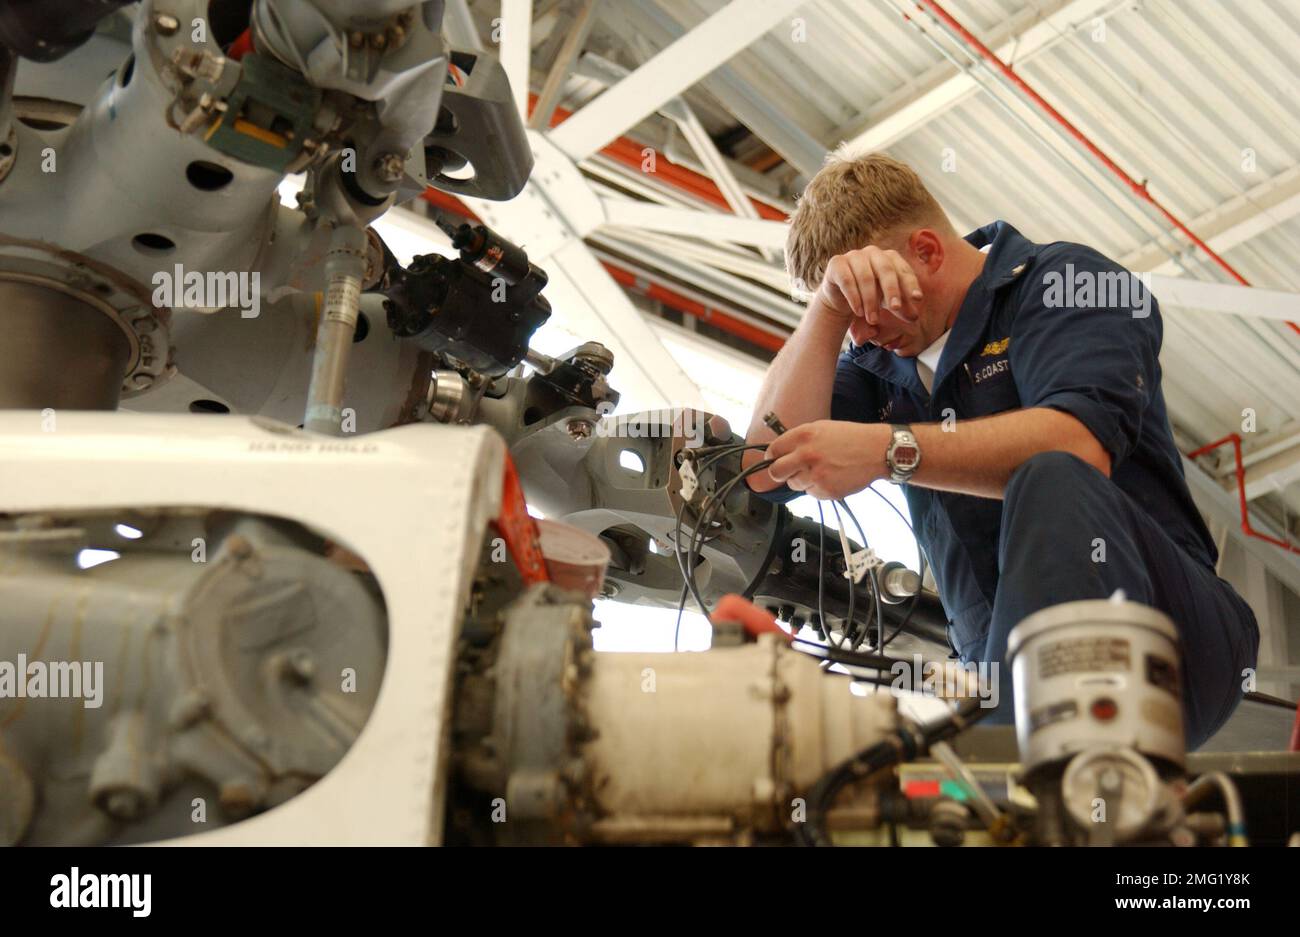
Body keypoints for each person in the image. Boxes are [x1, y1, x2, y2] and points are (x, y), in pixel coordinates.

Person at [744, 153, 1257, 748]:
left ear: (928, 253)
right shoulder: (876, 364)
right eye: (845, 314)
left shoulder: (1067, 283)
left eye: (862, 305)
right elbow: (762, 468)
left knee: (1050, 478)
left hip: (1176, 637)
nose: (858, 334)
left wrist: (890, 449)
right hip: (1003, 672)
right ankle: (1011, 770)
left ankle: (1001, 764)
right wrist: (825, 311)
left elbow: (1075, 447)